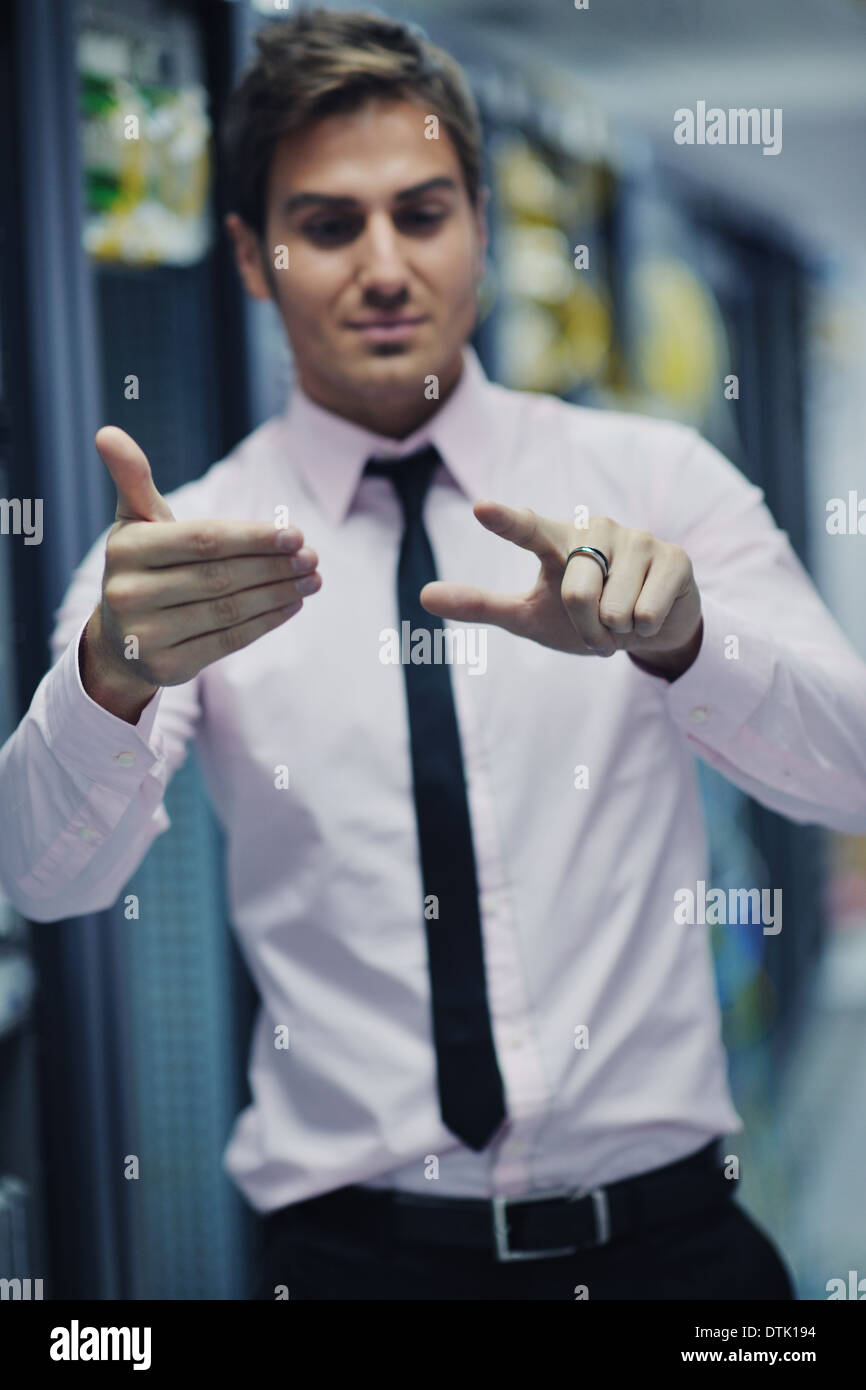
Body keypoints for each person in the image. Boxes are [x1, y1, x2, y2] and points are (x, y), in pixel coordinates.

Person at [2, 8, 865, 1302]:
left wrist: (687, 643)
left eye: (422, 211)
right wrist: (111, 676)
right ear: (250, 254)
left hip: (673, 1252)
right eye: (330, 224)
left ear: (478, 226)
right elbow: (42, 875)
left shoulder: (652, 481)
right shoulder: (185, 549)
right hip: (354, 1262)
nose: (385, 265)